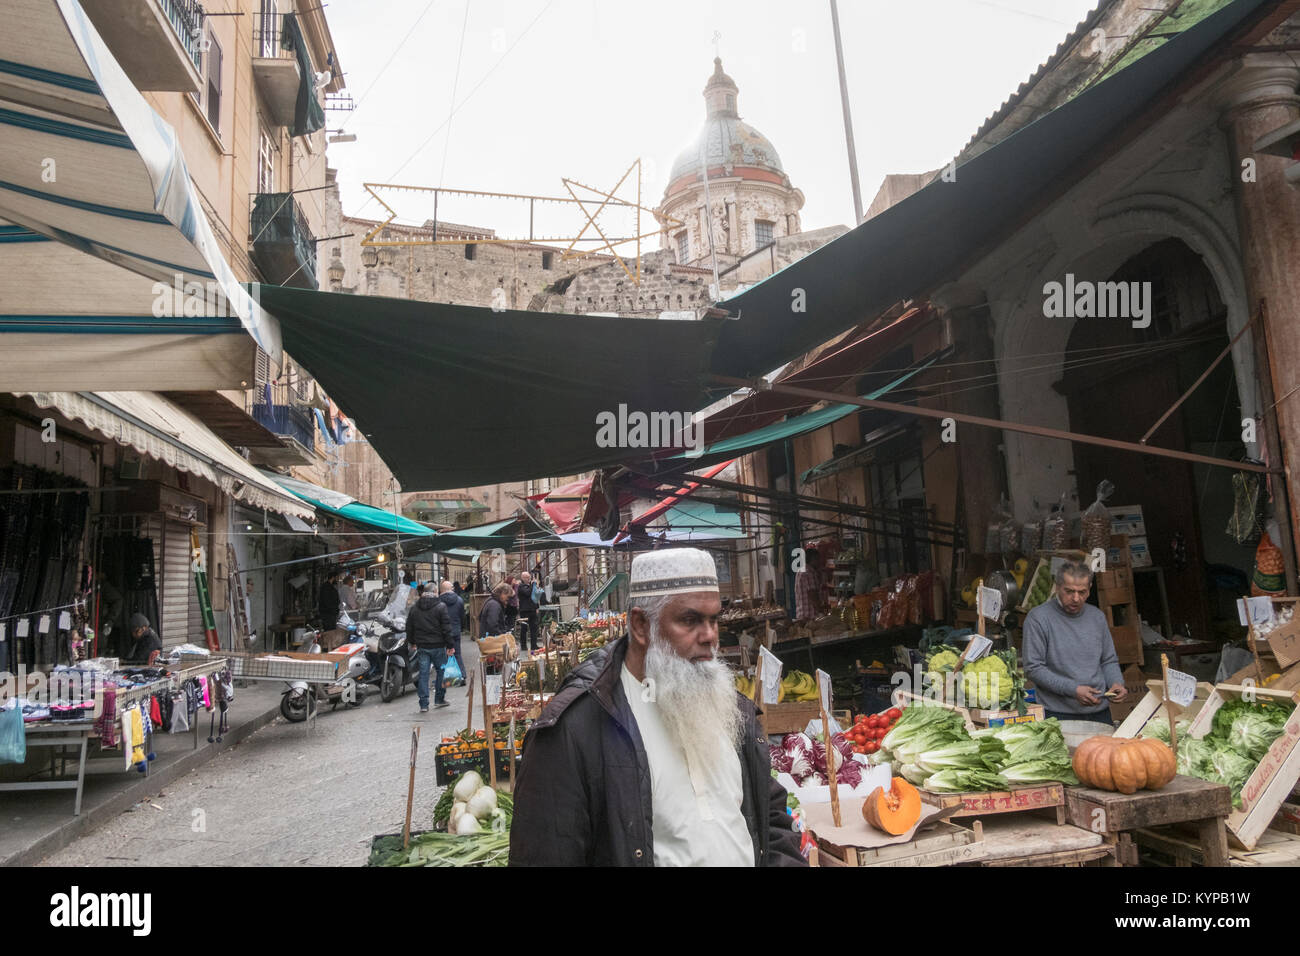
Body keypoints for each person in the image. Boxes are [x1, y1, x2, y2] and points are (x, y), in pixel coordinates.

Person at [509, 547, 805, 867]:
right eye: (689, 620)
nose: (710, 636)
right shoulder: (576, 729)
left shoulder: (729, 708)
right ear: (640, 625)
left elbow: (771, 817)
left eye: (714, 619)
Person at [1022, 559, 1127, 722]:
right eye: (1069, 591)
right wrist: (1073, 690)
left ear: (1090, 589)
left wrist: (1117, 683)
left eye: (1082, 592)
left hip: (1099, 711)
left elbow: (1108, 660)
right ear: (1057, 587)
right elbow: (1033, 668)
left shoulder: (1097, 617)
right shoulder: (1038, 618)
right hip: (1057, 715)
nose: (1076, 598)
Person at [406, 583, 453, 713]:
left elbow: (409, 627)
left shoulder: (415, 608)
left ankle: (423, 704)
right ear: (435, 591)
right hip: (438, 645)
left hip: (422, 646)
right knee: (441, 672)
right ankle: (439, 699)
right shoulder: (440, 606)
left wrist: (412, 642)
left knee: (423, 674)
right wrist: (450, 645)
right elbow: (446, 628)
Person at [439, 580, 467, 686]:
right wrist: (461, 627)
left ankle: (447, 678)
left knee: (443, 655)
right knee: (457, 654)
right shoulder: (459, 600)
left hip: (442, 632)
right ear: (452, 589)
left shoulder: (438, 601)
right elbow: (462, 616)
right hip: (455, 630)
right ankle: (462, 675)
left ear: (442, 590)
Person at [516, 571, 540, 653]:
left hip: (532, 610)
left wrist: (537, 607)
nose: (529, 579)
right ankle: (523, 645)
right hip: (525, 611)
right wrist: (533, 585)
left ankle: (534, 645)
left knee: (534, 628)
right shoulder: (521, 586)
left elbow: (535, 597)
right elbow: (527, 593)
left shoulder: (531, 586)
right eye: (527, 577)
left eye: (529, 577)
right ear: (522, 578)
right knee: (524, 628)